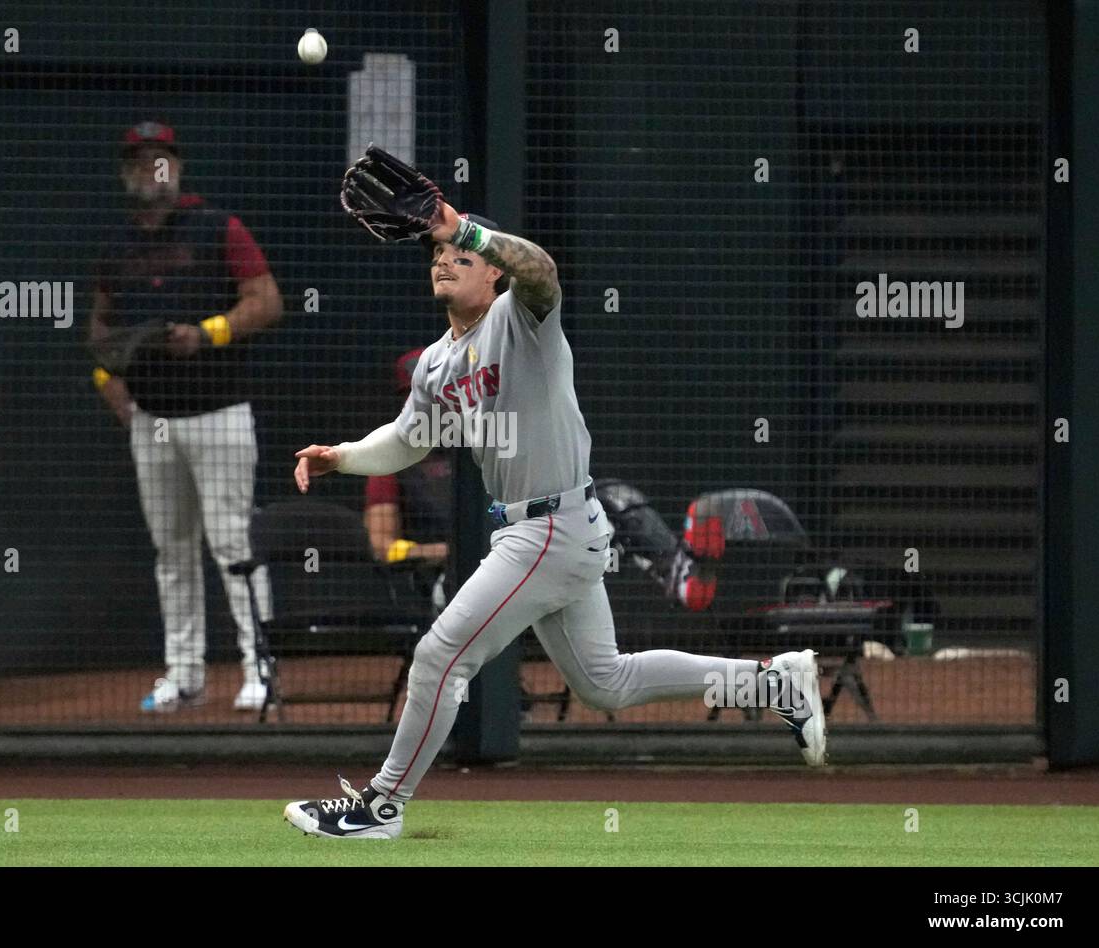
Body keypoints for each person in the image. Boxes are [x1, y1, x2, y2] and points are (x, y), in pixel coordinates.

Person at [284, 161, 827, 839]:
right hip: (541, 530)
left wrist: (465, 228)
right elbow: (408, 439)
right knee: (607, 683)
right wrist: (344, 458)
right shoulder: (434, 362)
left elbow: (540, 268)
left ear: (491, 273)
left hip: (548, 527)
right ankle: (774, 684)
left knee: (440, 656)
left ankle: (381, 806)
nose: (445, 259)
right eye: (437, 251)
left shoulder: (522, 319)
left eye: (460, 253)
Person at [89, 122, 283, 713]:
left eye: (161, 160)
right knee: (170, 549)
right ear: (126, 174)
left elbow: (266, 301)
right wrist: (110, 385)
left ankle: (260, 669)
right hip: (153, 419)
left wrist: (206, 333)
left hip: (219, 412)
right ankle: (184, 674)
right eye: (139, 162)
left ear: (178, 168)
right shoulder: (117, 244)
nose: (151, 170)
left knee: (231, 541)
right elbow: (98, 332)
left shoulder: (218, 227)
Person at [363, 348, 452, 611]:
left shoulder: (483, 448)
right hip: (431, 581)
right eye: (413, 398)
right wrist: (442, 553)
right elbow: (381, 546)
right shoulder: (388, 460)